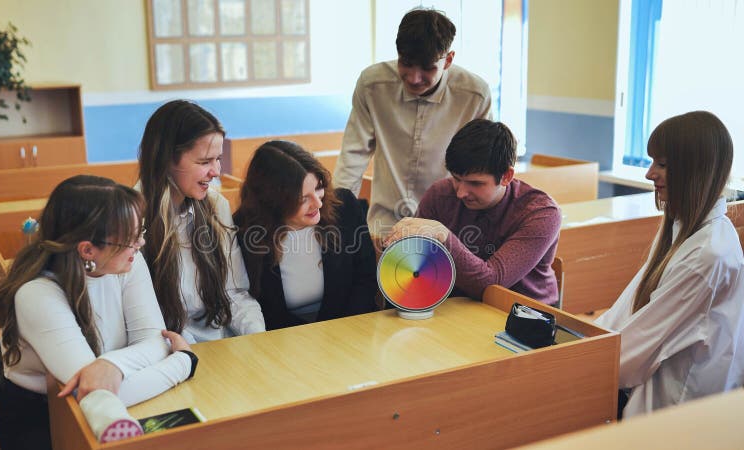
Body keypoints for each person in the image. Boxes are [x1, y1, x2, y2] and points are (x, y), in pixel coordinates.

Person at [0, 175, 195, 450]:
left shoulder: (125, 261)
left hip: (113, 409)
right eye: (131, 239)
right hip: (42, 419)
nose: (140, 244)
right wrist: (184, 361)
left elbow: (155, 340)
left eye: (139, 232)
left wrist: (112, 365)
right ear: (87, 250)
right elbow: (97, 395)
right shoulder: (37, 295)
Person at [595, 111, 744, 419]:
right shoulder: (683, 227)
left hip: (675, 405)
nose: (650, 174)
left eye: (661, 164)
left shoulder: (706, 253)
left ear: (694, 170)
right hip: (652, 382)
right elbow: (629, 306)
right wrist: (587, 340)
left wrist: (583, 360)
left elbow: (636, 349)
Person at [333, 7, 492, 239]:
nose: (414, 78)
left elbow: (482, 168)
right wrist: (337, 216)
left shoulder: (474, 94)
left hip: (448, 228)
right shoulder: (372, 85)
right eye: (406, 64)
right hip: (385, 225)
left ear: (448, 59)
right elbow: (352, 156)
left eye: (427, 68)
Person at [384, 119, 561, 305]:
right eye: (456, 178)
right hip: (457, 309)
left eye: (475, 183)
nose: (461, 193)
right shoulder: (440, 194)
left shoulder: (541, 213)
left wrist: (443, 235)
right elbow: (414, 266)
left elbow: (492, 285)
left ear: (506, 176)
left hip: (525, 317)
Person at [138, 100, 264, 343]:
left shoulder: (217, 206)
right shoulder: (133, 217)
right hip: (170, 349)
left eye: (218, 159)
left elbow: (234, 292)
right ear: (166, 160)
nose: (216, 171)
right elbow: (149, 321)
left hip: (221, 343)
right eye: (205, 161)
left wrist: (259, 339)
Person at [233, 140, 377, 330]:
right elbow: (260, 307)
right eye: (302, 199)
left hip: (348, 331)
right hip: (283, 340)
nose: (318, 203)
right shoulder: (245, 230)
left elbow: (365, 280)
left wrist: (340, 333)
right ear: (272, 201)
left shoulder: (345, 208)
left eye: (318, 188)